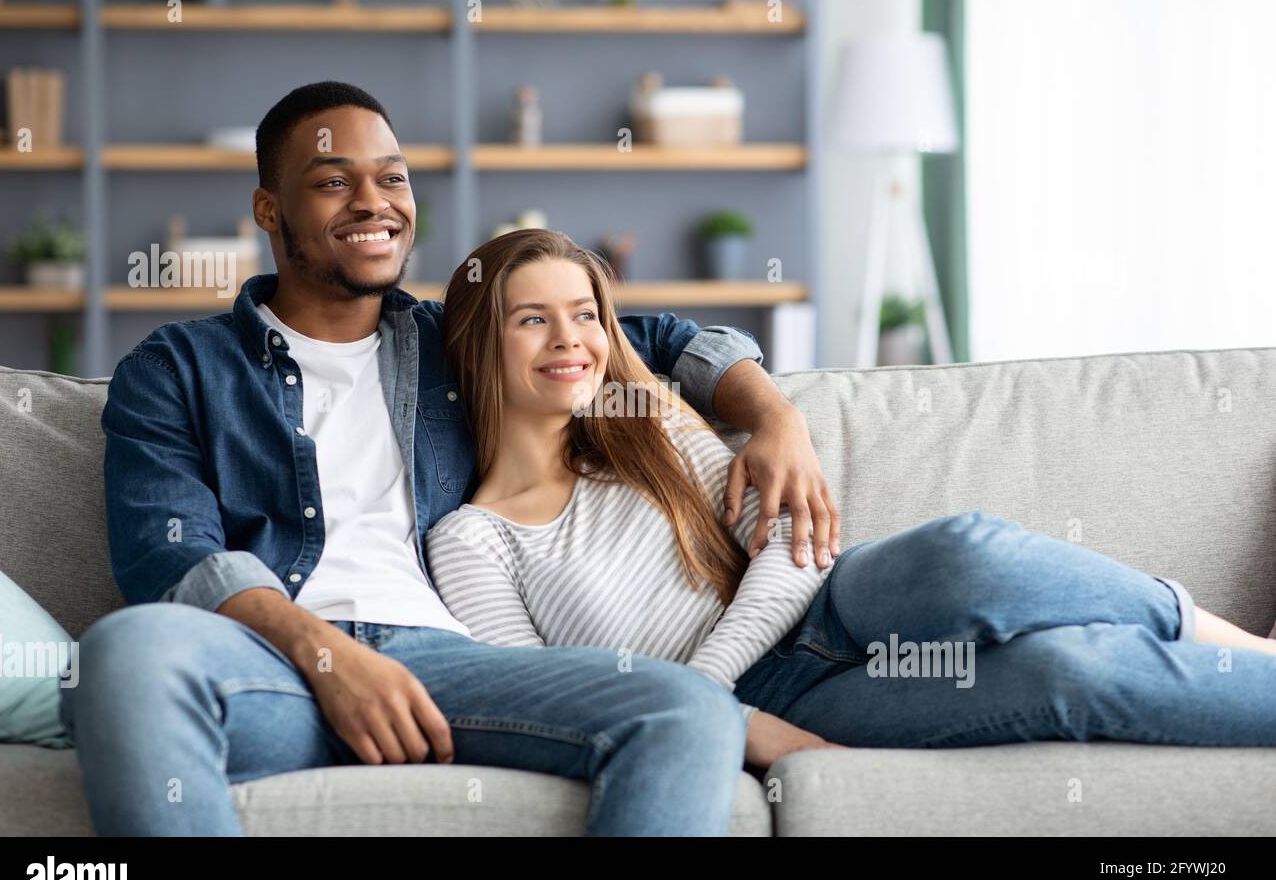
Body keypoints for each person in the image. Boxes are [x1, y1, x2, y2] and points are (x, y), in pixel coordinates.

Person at [59, 81, 840, 837]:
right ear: (270, 209)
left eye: (391, 178)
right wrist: (326, 654)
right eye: (334, 181)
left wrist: (777, 419)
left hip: (450, 669)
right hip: (273, 672)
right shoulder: (176, 369)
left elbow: (666, 341)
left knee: (685, 707)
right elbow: (166, 558)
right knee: (123, 653)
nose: (373, 202)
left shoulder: (457, 339)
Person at [427, 226, 1276, 762]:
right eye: (532, 319)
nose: (571, 339)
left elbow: (794, 546)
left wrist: (709, 687)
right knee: (1065, 674)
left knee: (969, 554)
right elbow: (544, 696)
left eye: (585, 314)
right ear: (479, 346)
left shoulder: (649, 418)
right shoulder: (472, 539)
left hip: (833, 604)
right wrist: (729, 715)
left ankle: (1235, 638)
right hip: (791, 696)